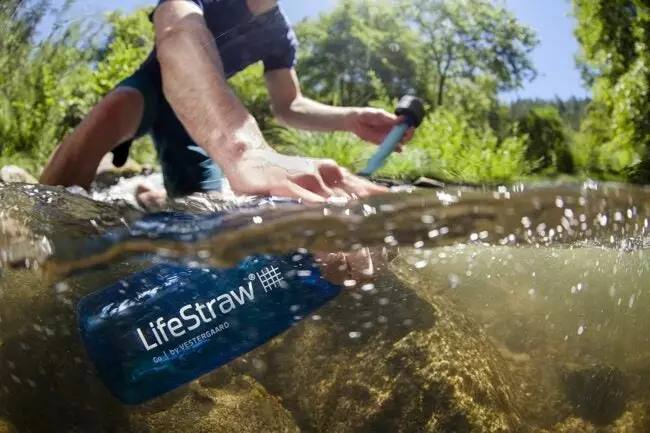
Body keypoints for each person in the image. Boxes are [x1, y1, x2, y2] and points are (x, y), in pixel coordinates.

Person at [39, 0, 413, 205]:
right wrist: (244, 150)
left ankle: (152, 200)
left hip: (193, 124)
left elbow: (289, 105)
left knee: (205, 208)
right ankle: (27, 255)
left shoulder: (280, 36)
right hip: (153, 89)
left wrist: (350, 118)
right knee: (111, 111)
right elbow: (176, 31)